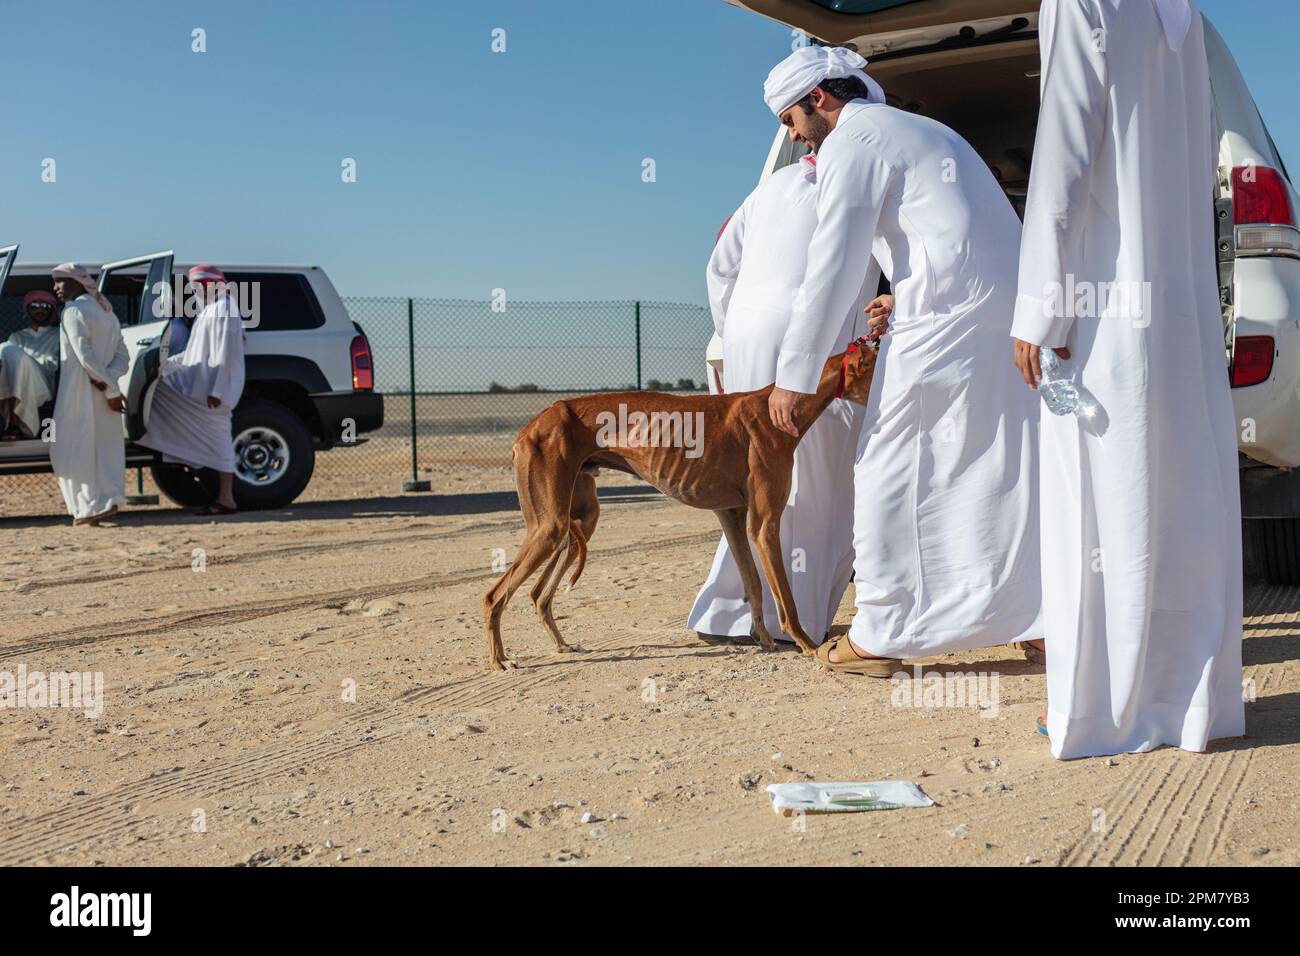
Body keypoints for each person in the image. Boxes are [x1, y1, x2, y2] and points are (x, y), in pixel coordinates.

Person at [1010, 0, 1243, 758]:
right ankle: (1190, 702)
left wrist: (1041, 307)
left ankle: (1103, 711)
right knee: (1180, 500)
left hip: (1102, 301)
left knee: (1099, 507)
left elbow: (1064, 153)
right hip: (1178, 305)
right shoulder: (1184, 18)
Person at [762, 45, 1042, 674]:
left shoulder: (852, 141)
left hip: (950, 316)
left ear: (820, 99)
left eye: (790, 120)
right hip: (995, 310)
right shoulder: (917, 128)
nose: (794, 137)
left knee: (887, 463)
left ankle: (882, 634)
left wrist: (794, 378)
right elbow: (941, 230)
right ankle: (1038, 619)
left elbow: (832, 265)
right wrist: (902, 294)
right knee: (999, 461)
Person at [688, 149, 881, 647]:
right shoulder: (865, 181)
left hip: (747, 336)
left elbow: (720, 266)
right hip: (823, 340)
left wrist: (733, 333)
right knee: (819, 485)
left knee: (755, 485)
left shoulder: (767, 188)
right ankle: (796, 620)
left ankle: (728, 614)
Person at [139, 264, 246, 514]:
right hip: (198, 384)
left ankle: (226, 498)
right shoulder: (209, 309)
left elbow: (226, 353)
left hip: (213, 390)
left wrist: (217, 391)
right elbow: (195, 350)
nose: (196, 290)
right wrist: (169, 365)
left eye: (200, 285)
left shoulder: (225, 309)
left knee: (219, 440)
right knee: (156, 393)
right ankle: (207, 479)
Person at [48, 263, 129, 526]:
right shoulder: (107, 312)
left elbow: (85, 357)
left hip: (79, 392)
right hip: (104, 391)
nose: (55, 288)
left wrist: (108, 387)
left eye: (61, 281)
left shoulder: (73, 311)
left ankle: (88, 508)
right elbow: (123, 357)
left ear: (77, 283)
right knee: (104, 448)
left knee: (68, 449)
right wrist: (110, 383)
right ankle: (106, 501)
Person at [0, 290, 60, 438]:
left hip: (43, 385)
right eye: (35, 305)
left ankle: (14, 424)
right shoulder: (17, 336)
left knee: (13, 354)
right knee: (6, 351)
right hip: (17, 382)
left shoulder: (60, 334)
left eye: (45, 306)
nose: (40, 309)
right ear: (27, 309)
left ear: (51, 309)